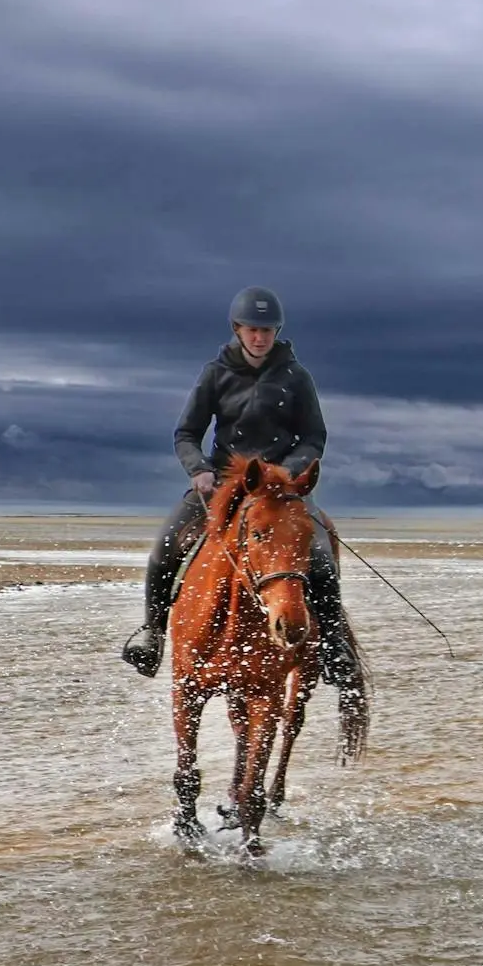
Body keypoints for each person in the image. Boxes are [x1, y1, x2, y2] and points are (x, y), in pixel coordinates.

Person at [120, 286, 363, 691]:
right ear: (237, 329)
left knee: (319, 552)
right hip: (222, 486)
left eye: (267, 330)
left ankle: (335, 646)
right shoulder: (215, 374)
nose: (259, 337)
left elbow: (314, 437)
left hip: (282, 491)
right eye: (252, 329)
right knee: (164, 547)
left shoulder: (296, 377)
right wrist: (198, 470)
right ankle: (153, 634)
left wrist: (286, 474)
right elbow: (186, 432)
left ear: (276, 332)